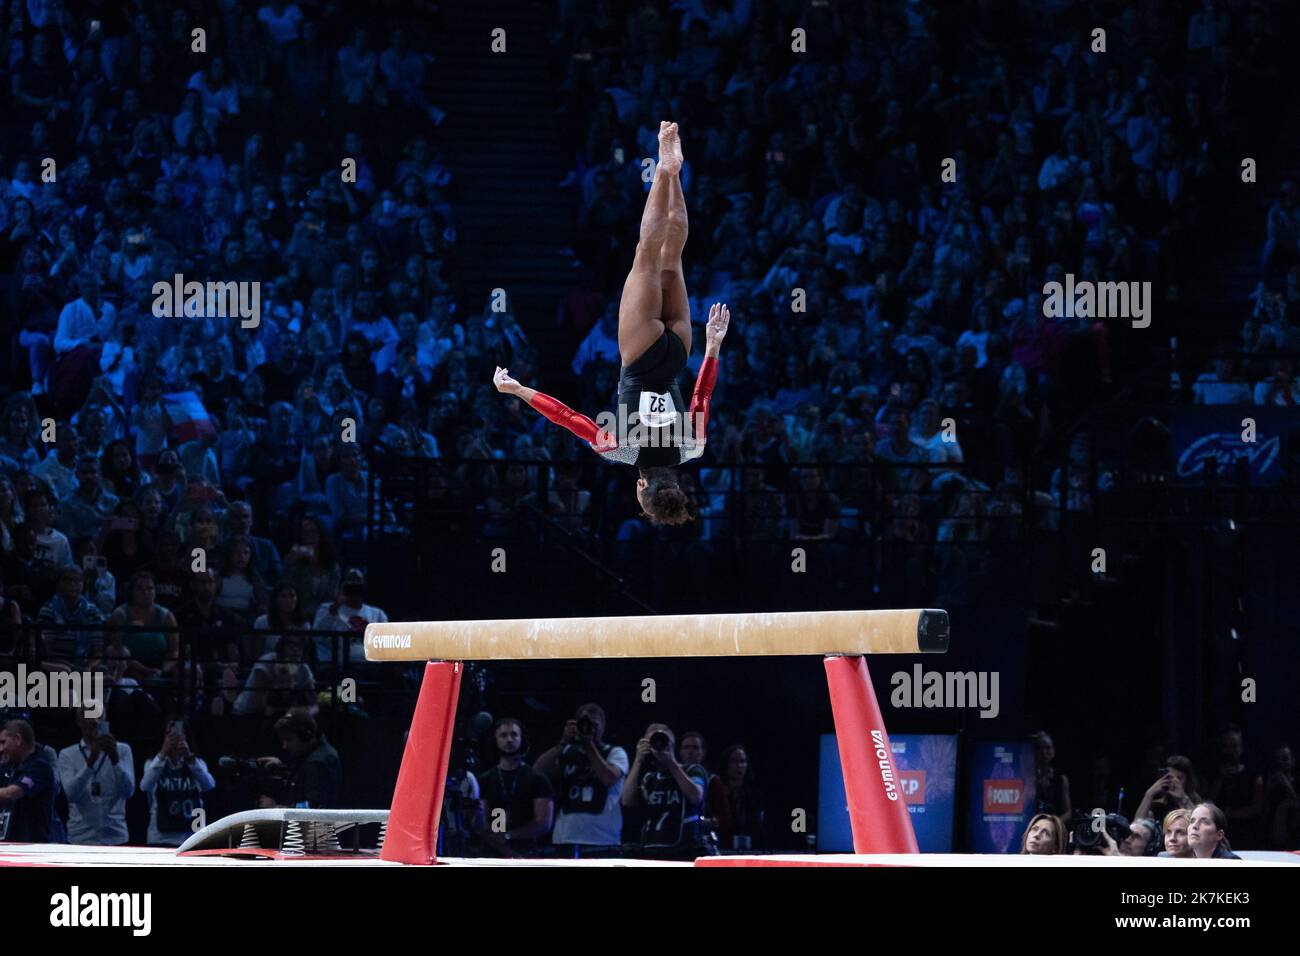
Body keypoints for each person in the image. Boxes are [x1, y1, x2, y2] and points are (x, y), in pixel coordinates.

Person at [493, 123, 729, 526]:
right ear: (641, 489)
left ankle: (674, 174)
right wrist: (517, 390)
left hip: (677, 354)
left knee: (673, 256)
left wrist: (712, 347)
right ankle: (662, 169)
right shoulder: (621, 450)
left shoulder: (692, 449)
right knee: (646, 252)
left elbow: (702, 397)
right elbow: (567, 417)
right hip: (640, 353)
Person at [533, 703, 628, 854]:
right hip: (566, 837)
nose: (591, 729)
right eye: (585, 724)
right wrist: (562, 743)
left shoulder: (615, 753)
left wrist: (589, 746)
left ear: (603, 726)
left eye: (595, 724)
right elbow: (537, 772)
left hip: (602, 838)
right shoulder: (567, 752)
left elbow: (608, 779)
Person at [621, 721, 711, 859]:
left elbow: (696, 796)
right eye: (652, 742)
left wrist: (670, 762)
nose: (658, 746)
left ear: (672, 745)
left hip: (682, 853)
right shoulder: (649, 778)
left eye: (661, 741)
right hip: (651, 852)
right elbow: (627, 801)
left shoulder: (692, 770)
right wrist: (638, 760)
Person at [474, 717, 554, 857]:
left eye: (514, 734)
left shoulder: (537, 779)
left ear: (522, 738)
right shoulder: (484, 780)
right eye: (503, 735)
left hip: (527, 852)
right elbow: (480, 820)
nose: (509, 740)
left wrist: (509, 835)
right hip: (491, 853)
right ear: (496, 739)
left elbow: (543, 823)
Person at [57, 714, 135, 846]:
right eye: (90, 717)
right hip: (80, 836)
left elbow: (128, 792)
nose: (95, 721)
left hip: (115, 834)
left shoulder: (122, 750)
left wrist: (115, 761)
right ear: (79, 722)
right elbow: (70, 794)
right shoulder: (67, 754)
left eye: (99, 717)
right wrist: (90, 762)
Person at [139, 720, 216, 846]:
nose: (175, 738)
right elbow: (145, 786)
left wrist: (190, 759)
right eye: (170, 734)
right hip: (160, 836)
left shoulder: (196, 762)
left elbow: (209, 785)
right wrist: (163, 753)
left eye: (180, 733)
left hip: (191, 836)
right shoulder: (153, 763)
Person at [257, 709, 341, 809]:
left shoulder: (316, 763)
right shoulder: (317, 751)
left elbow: (314, 807)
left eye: (289, 739)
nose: (285, 746)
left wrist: (276, 807)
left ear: (305, 735)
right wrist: (283, 766)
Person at [0, 719, 56, 842]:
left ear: (18, 739)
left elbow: (12, 793)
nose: (1, 749)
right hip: (8, 846)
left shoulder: (39, 768)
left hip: (32, 849)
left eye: (4, 742)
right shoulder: (7, 769)